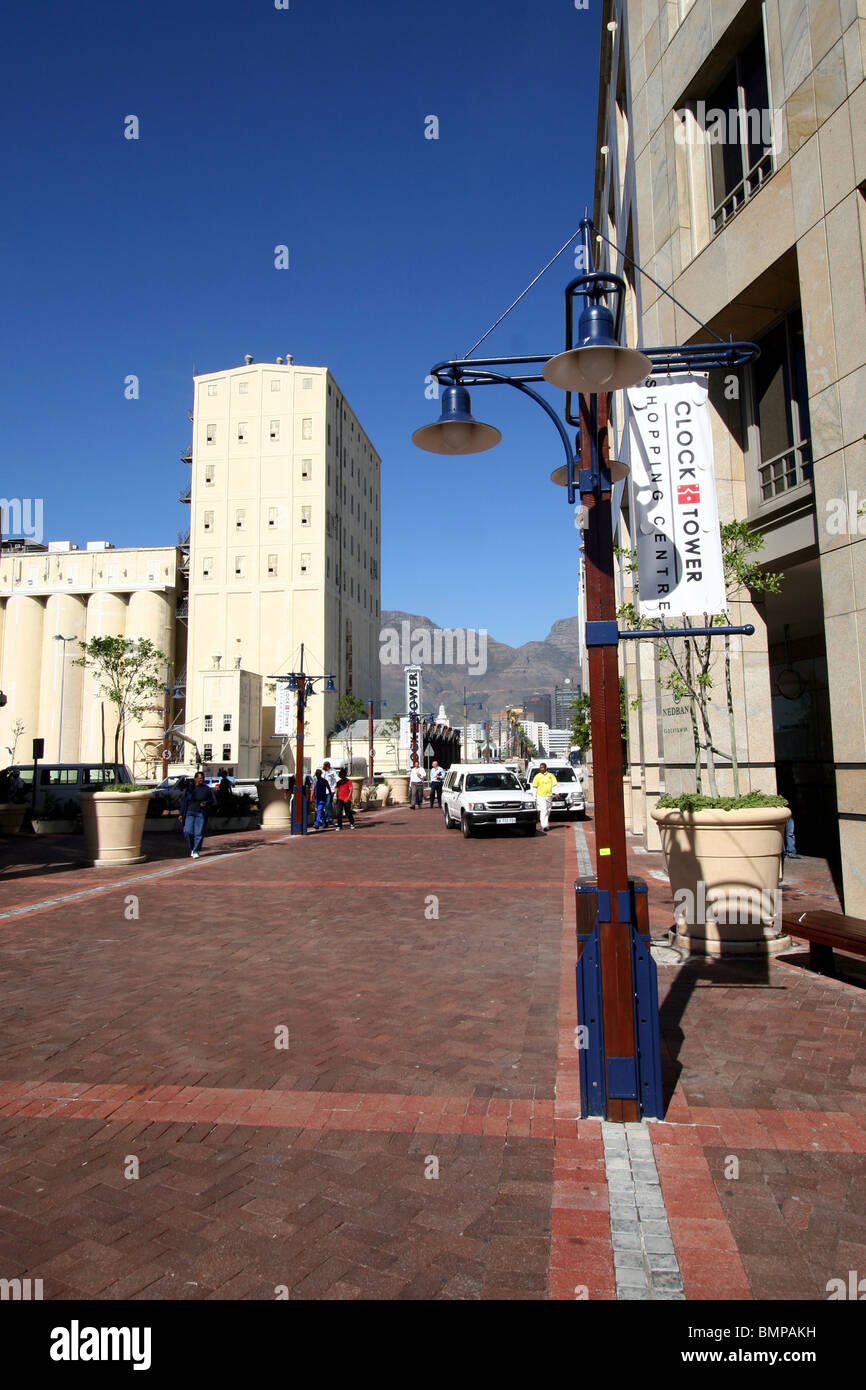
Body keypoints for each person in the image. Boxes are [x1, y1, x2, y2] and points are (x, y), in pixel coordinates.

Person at [178, 771, 215, 858]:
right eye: (200, 778)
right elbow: (184, 801)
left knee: (198, 833)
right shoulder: (190, 789)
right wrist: (181, 813)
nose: (201, 780)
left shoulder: (206, 789)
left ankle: (196, 850)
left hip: (200, 813)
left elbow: (212, 800)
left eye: (202, 778)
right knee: (187, 831)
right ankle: (192, 847)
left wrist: (206, 802)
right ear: (196, 779)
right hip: (189, 812)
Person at [531, 762, 556, 833]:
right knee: (543, 810)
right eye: (540, 767)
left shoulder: (550, 776)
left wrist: (556, 793)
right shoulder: (537, 776)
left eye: (542, 767)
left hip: (549, 795)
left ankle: (546, 824)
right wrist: (534, 798)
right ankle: (544, 825)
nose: (541, 769)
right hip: (540, 796)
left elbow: (554, 785)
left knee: (548, 810)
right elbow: (535, 788)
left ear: (546, 768)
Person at [322, 761, 338, 825]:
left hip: (330, 790)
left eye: (325, 766)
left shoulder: (333, 772)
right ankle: (327, 817)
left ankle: (330, 818)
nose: (324, 767)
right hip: (323, 790)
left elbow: (337, 779)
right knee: (326, 804)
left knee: (328, 803)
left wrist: (335, 787)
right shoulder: (323, 772)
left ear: (328, 766)